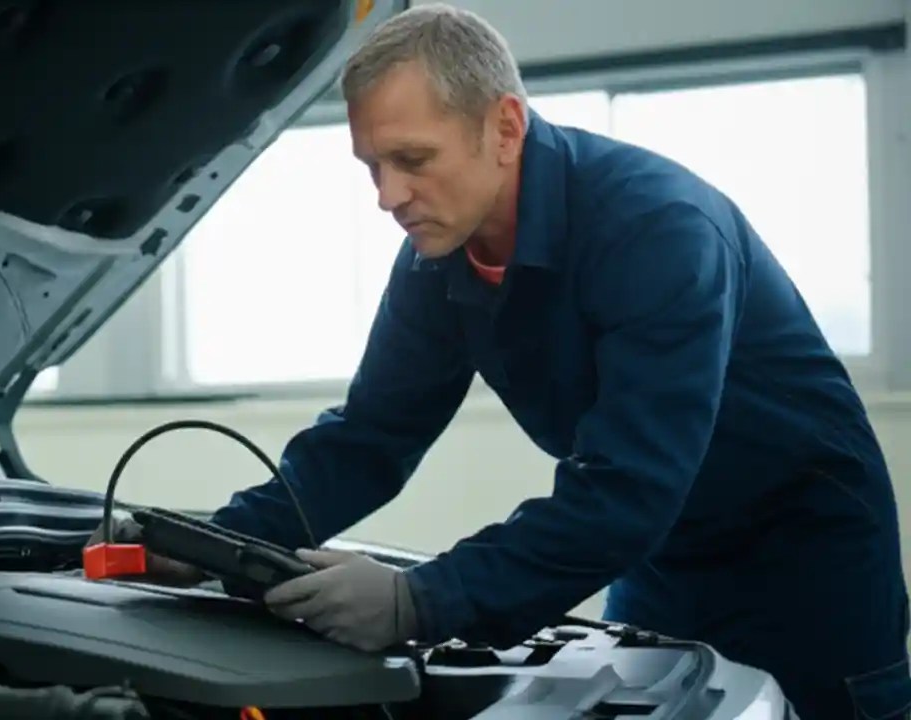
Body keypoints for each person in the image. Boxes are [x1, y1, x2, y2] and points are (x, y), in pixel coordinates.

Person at [89, 5, 910, 718]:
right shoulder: (435, 262)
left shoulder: (659, 231)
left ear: (505, 127)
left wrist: (422, 599)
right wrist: (210, 543)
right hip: (660, 559)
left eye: (413, 159)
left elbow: (627, 487)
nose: (388, 196)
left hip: (805, 565)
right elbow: (370, 440)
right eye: (372, 166)